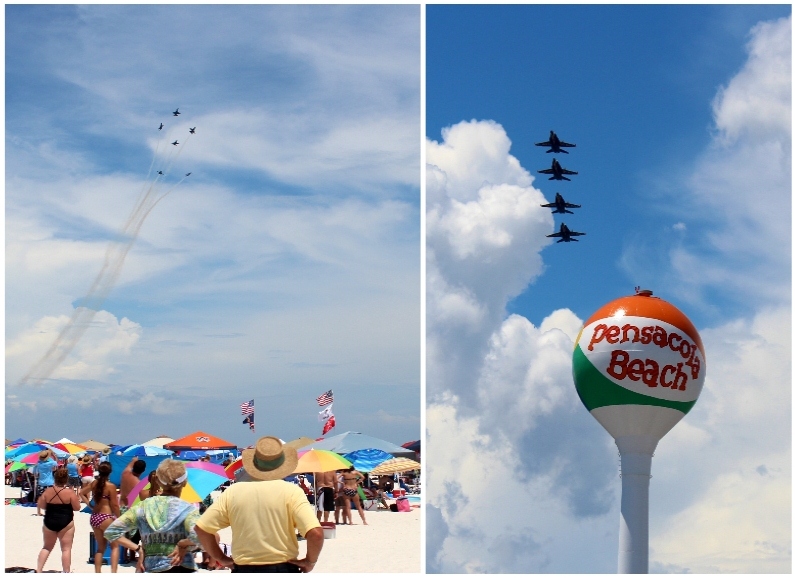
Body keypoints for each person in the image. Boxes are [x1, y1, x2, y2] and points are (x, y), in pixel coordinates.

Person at [194, 435, 324, 572]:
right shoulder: (292, 492)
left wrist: (220, 558)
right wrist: (310, 561)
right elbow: (316, 534)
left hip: (244, 569)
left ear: (254, 463)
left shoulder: (233, 492)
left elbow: (202, 529)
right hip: (283, 568)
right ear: (282, 464)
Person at [104, 459, 201, 573]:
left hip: (152, 567)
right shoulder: (188, 509)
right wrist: (183, 544)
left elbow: (111, 532)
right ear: (185, 482)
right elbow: (201, 537)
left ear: (158, 482)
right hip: (184, 566)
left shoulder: (142, 507)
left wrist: (139, 549)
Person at [36, 468, 82, 573]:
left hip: (49, 521)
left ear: (55, 478)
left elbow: (41, 505)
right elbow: (77, 508)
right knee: (66, 549)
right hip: (66, 521)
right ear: (66, 479)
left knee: (46, 547)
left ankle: (39, 570)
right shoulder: (69, 493)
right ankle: (66, 572)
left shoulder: (48, 491)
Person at [80, 462, 121, 573]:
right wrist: (120, 518)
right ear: (110, 472)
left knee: (100, 548)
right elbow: (115, 505)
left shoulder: (94, 483)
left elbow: (81, 493)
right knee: (115, 546)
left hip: (94, 517)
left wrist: (89, 505)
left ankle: (98, 573)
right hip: (106, 517)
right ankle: (113, 573)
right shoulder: (111, 486)